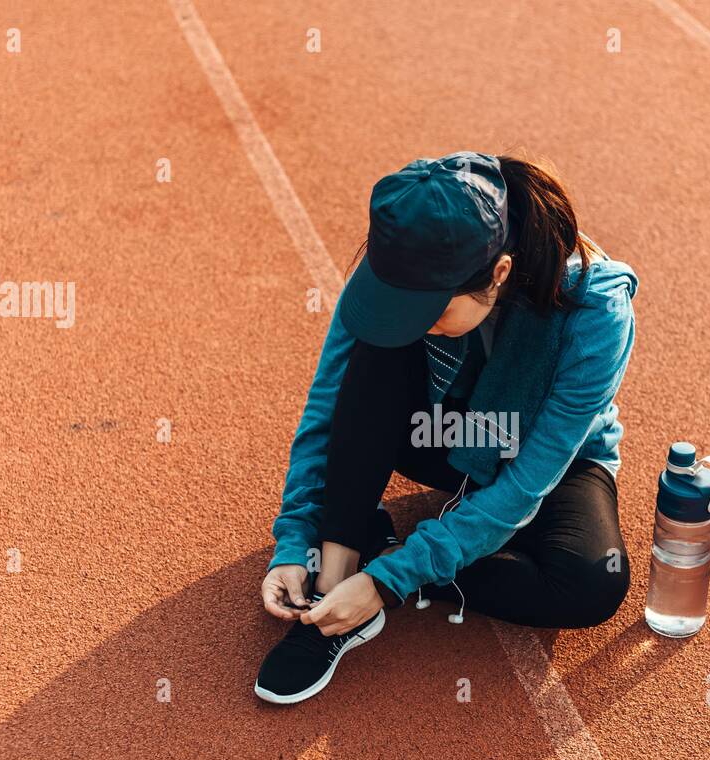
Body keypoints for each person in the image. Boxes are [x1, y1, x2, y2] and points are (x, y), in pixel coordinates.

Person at [256, 151, 638, 704]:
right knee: (377, 353)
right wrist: (295, 540)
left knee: (589, 585)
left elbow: (527, 483)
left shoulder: (597, 312)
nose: (412, 321)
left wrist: (391, 580)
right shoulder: (402, 254)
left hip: (543, 452)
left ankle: (377, 565)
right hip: (434, 432)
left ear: (499, 273)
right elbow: (329, 409)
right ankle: (334, 578)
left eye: (431, 310)